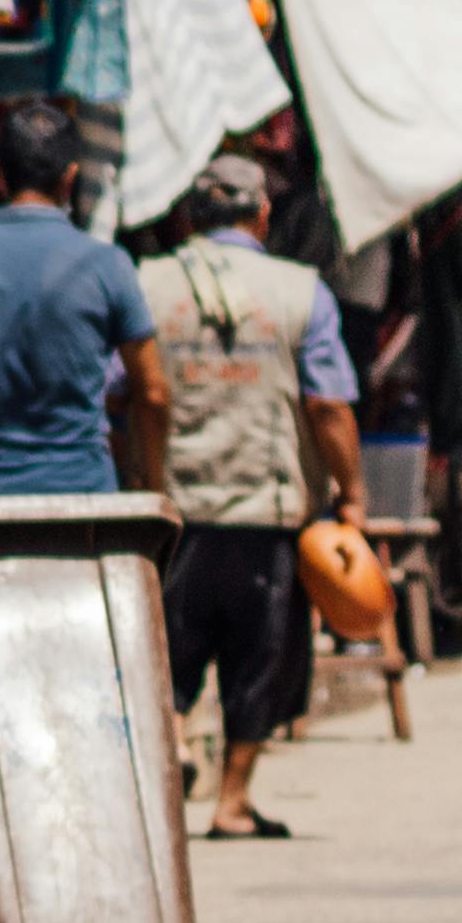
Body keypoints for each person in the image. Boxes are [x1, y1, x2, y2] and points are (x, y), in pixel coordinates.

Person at [150, 153, 363, 840]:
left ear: (189, 215)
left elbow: (118, 392)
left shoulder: (143, 284)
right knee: (259, 661)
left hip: (171, 509)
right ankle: (232, 800)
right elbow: (327, 404)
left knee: (166, 655)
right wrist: (351, 491)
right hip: (264, 509)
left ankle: (173, 750)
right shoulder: (300, 290)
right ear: (262, 214)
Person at [0, 94, 165, 501]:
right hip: (85, 502)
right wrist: (155, 486)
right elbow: (152, 393)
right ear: (69, 179)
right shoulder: (110, 265)